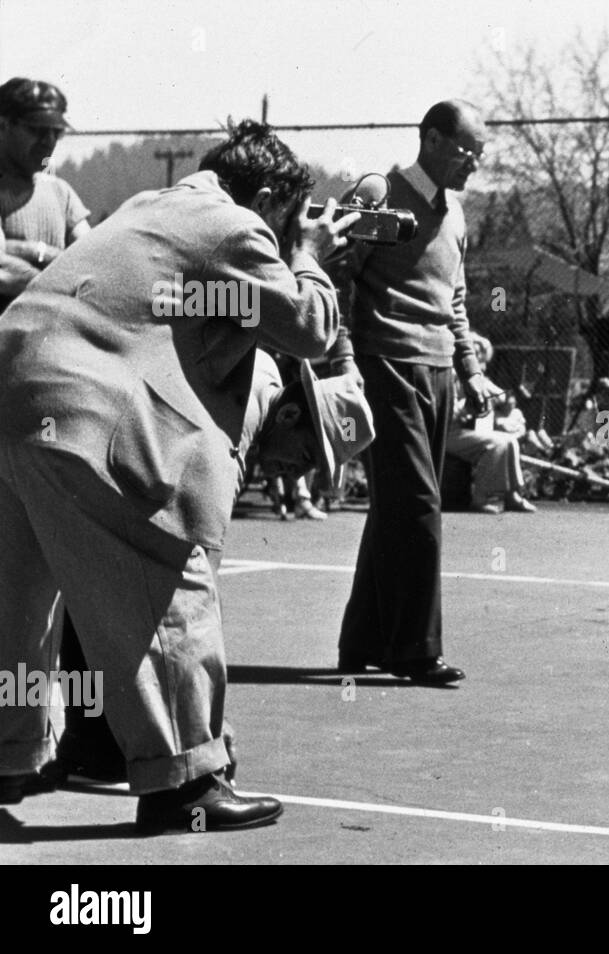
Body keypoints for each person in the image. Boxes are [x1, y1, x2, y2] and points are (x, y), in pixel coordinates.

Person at [0, 120, 359, 832]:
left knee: (16, 602)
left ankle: (7, 756)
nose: (285, 233)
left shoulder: (150, 206)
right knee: (167, 572)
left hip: (12, 389)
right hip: (82, 407)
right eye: (286, 216)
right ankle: (185, 782)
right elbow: (311, 329)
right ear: (263, 197)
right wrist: (311, 255)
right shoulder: (234, 229)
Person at [52, 350, 374, 784]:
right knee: (104, 586)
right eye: (309, 456)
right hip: (89, 434)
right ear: (290, 414)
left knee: (90, 587)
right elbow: (198, 579)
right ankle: (93, 746)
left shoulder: (262, 373)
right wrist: (207, 726)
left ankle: (89, 745)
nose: (301, 472)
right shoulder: (232, 434)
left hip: (96, 421)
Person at [329, 100, 500, 685]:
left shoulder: (454, 214)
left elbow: (454, 300)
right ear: (430, 138)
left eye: (480, 152)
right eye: (465, 149)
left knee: (397, 507)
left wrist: (471, 369)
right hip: (386, 364)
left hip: (439, 371)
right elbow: (337, 271)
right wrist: (344, 358)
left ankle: (363, 642)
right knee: (419, 505)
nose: (473, 163)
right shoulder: (379, 191)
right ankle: (415, 652)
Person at [0, 77, 90, 313]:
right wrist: (61, 273)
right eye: (38, 130)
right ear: (3, 126)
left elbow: (92, 264)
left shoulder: (61, 192)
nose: (49, 141)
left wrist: (32, 251)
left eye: (56, 132)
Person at [445, 334, 536, 514]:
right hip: (446, 433)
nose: (478, 355)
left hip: (463, 430)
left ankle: (512, 495)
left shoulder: (476, 377)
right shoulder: (451, 373)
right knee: (496, 444)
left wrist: (499, 402)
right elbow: (448, 412)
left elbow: (501, 397)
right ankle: (481, 498)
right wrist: (465, 409)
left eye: (480, 352)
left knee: (510, 441)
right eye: (474, 350)